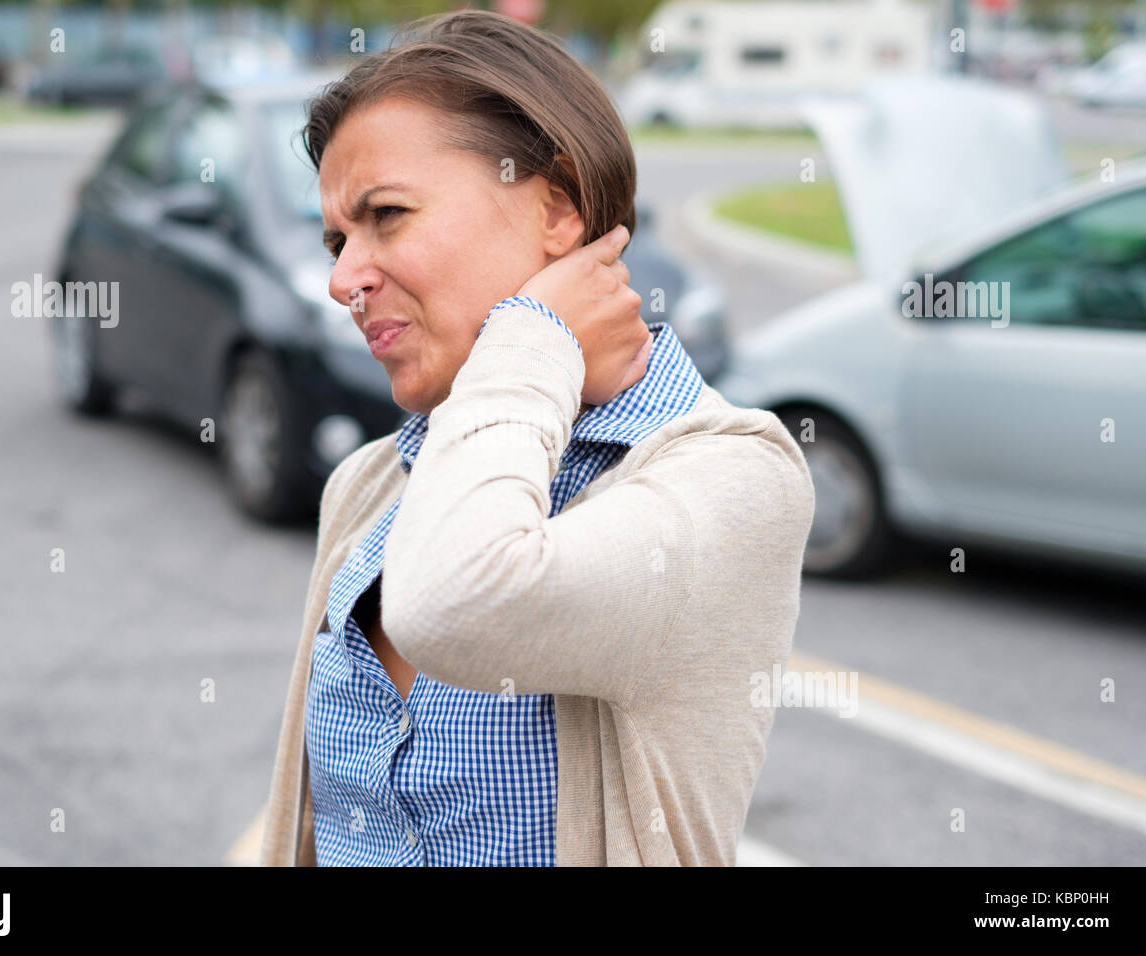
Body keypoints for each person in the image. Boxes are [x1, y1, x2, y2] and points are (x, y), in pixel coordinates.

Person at [259, 9, 815, 867]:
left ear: (556, 206)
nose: (341, 280)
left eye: (388, 215)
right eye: (336, 239)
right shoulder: (370, 484)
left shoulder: (733, 474)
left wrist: (535, 334)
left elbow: (459, 602)